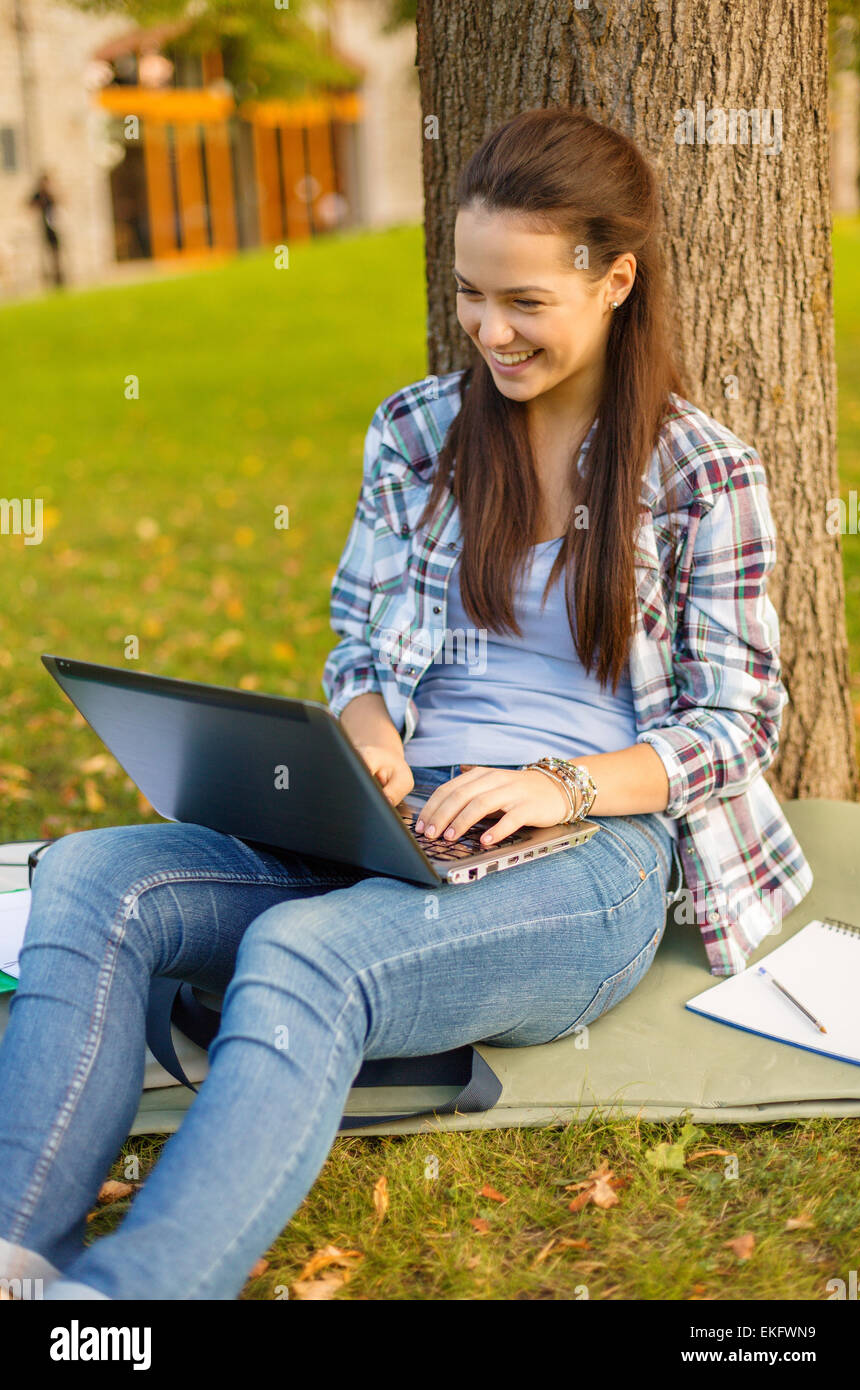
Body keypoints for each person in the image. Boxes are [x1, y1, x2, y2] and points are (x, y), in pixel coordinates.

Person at [0, 107, 812, 1301]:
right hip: (397, 818)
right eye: (472, 293)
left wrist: (555, 786)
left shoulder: (704, 473)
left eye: (524, 301)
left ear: (615, 281)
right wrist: (369, 728)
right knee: (89, 879)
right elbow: (358, 643)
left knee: (302, 952)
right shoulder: (415, 429)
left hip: (595, 852)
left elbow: (736, 723)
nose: (490, 329)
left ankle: (126, 1307)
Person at [27, 173, 64, 288]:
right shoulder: (39, 195)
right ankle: (48, 279)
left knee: (56, 253)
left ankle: (59, 278)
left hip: (54, 227)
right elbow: (29, 205)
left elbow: (62, 202)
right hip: (44, 228)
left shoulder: (50, 195)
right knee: (45, 254)